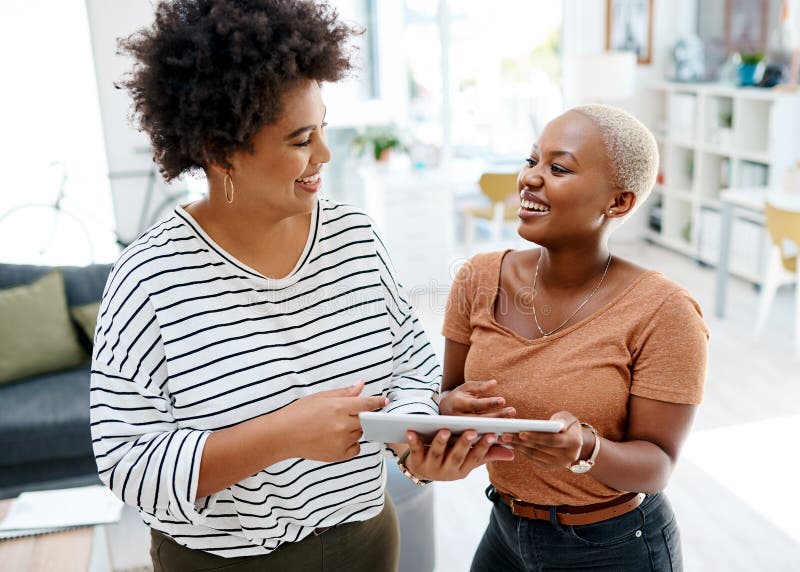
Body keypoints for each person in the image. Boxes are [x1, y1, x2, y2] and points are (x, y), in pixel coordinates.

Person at [89, 1, 506, 570]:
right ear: (220, 150)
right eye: (299, 139)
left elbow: (409, 362)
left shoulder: (354, 236)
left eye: (322, 130)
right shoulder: (150, 277)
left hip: (365, 545)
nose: (325, 156)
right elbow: (126, 464)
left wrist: (416, 443)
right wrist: (280, 435)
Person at [430, 105, 708, 571]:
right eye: (531, 160)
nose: (530, 179)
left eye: (558, 168)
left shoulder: (665, 311)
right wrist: (449, 410)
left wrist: (587, 449)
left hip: (614, 547)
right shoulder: (477, 278)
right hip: (504, 530)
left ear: (618, 203)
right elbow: (448, 396)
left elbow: (658, 464)